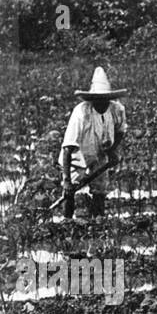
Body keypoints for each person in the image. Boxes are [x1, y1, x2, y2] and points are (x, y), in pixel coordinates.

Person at [59, 67, 127, 219]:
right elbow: (68, 148)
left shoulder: (117, 110)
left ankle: (98, 221)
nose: (102, 103)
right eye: (98, 99)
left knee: (100, 191)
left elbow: (120, 131)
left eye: (105, 100)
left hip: (101, 154)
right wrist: (67, 181)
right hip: (78, 157)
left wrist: (113, 151)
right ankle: (67, 221)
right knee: (69, 193)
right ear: (92, 99)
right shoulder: (81, 113)